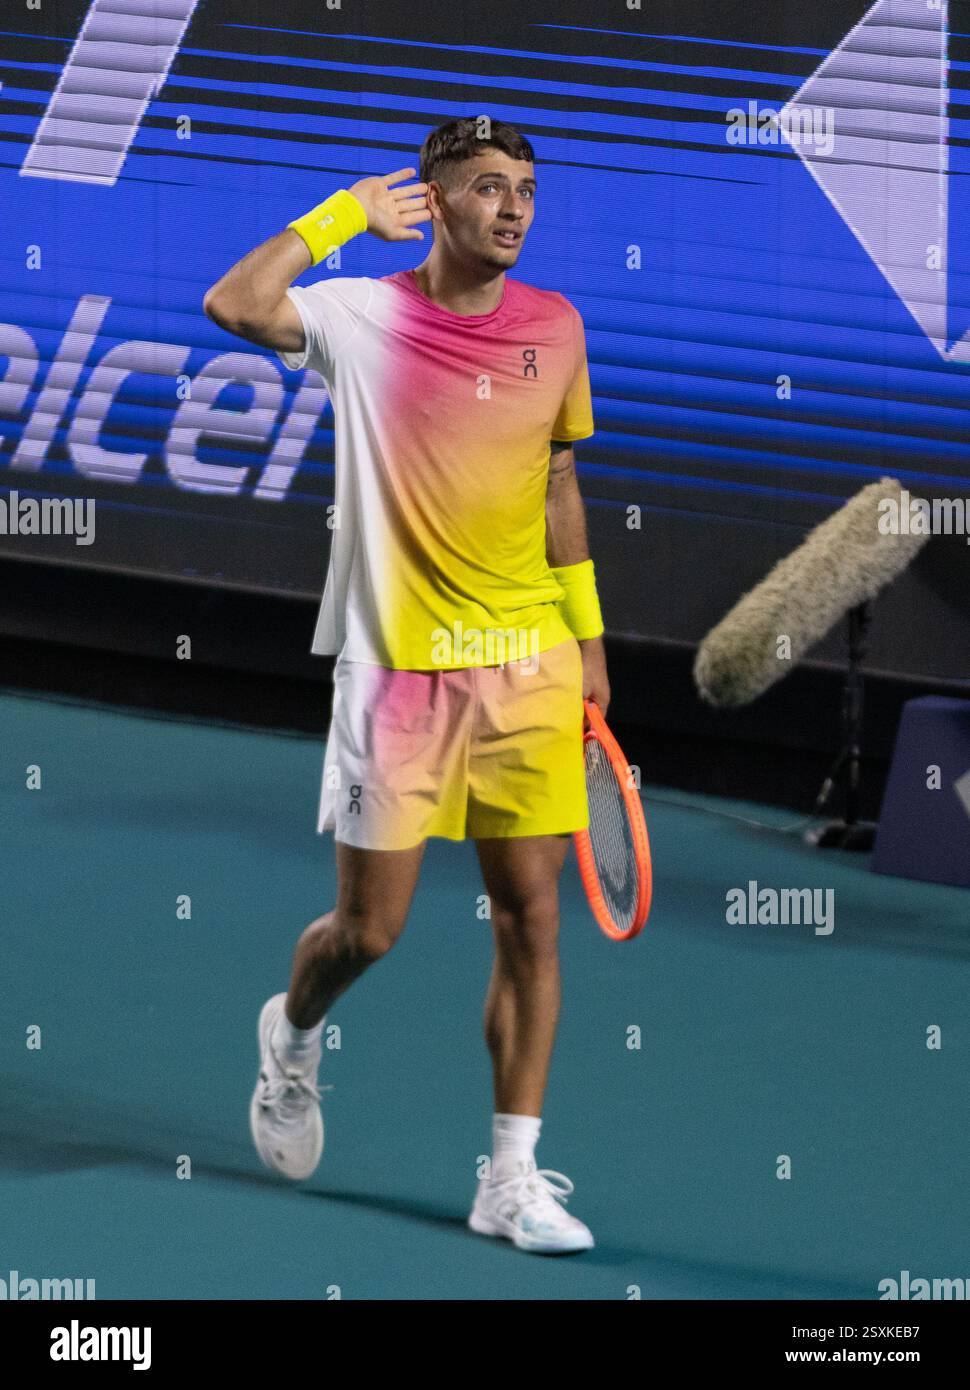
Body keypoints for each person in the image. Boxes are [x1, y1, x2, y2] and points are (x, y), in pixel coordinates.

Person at [203, 116, 609, 1254]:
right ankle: (291, 1034)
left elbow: (559, 484)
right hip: (396, 675)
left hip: (526, 664)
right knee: (368, 932)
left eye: (527, 188)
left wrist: (587, 642)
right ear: (434, 203)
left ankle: (510, 1176)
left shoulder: (557, 327)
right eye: (488, 188)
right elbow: (234, 303)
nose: (515, 208)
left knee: (532, 918)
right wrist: (337, 219)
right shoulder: (364, 315)